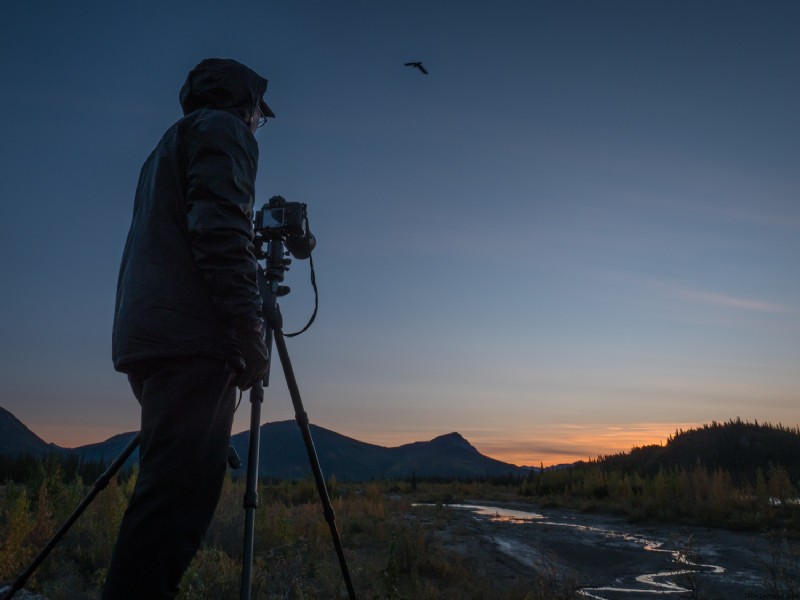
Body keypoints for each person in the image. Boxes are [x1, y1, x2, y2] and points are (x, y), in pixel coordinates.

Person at [104, 58, 274, 599]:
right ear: (244, 107)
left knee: (164, 493)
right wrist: (250, 329)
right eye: (257, 115)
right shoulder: (222, 130)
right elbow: (219, 230)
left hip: (150, 337)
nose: (255, 125)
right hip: (191, 339)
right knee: (172, 511)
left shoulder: (165, 147)